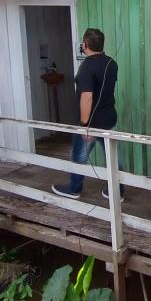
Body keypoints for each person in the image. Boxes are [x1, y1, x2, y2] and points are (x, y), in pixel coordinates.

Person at [52, 28, 125, 201]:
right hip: (109, 118)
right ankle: (117, 191)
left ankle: (74, 189)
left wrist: (85, 125)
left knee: (79, 156)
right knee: (113, 157)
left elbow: (87, 96)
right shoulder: (111, 63)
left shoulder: (86, 67)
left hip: (92, 123)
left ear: (84, 45)